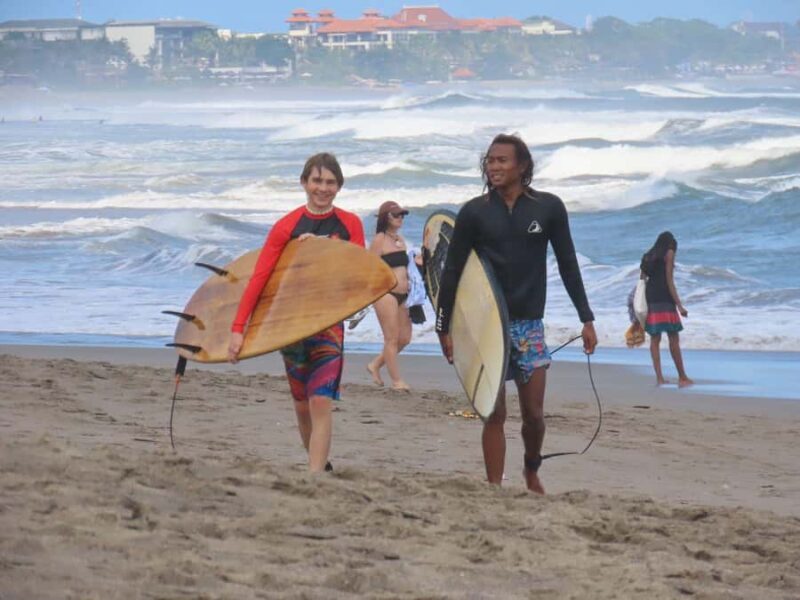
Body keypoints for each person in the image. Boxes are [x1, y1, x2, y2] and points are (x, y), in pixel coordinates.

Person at [436, 133, 597, 495]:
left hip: (528, 324)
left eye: (502, 160)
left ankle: (531, 466)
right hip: (485, 323)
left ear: (522, 166)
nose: (494, 166)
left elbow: (568, 264)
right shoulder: (474, 213)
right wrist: (443, 327)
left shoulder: (548, 208)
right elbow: (451, 271)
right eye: (490, 160)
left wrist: (586, 318)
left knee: (534, 416)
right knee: (493, 412)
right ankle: (494, 486)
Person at [227, 153, 365, 472]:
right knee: (302, 407)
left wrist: (320, 250)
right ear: (304, 183)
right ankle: (320, 463)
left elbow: (359, 274)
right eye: (317, 180)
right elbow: (260, 278)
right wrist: (238, 329)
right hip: (289, 326)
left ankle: (314, 477)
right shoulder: (286, 227)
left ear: (339, 187)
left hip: (329, 324)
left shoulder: (350, 224)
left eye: (330, 182)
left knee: (320, 401)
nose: (323, 188)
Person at [367, 201, 413, 391]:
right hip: (386, 293)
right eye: (396, 215)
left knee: (405, 338)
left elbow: (404, 267)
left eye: (402, 215)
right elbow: (370, 267)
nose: (400, 218)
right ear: (386, 217)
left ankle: (375, 365)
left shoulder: (400, 239)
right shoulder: (379, 239)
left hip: (404, 294)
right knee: (391, 338)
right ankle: (397, 381)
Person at [640, 231, 693, 387]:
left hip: (651, 298)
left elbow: (642, 279)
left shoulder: (648, 256)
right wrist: (679, 305)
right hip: (665, 298)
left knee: (655, 339)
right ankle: (682, 377)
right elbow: (669, 280)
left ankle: (659, 378)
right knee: (673, 338)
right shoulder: (668, 253)